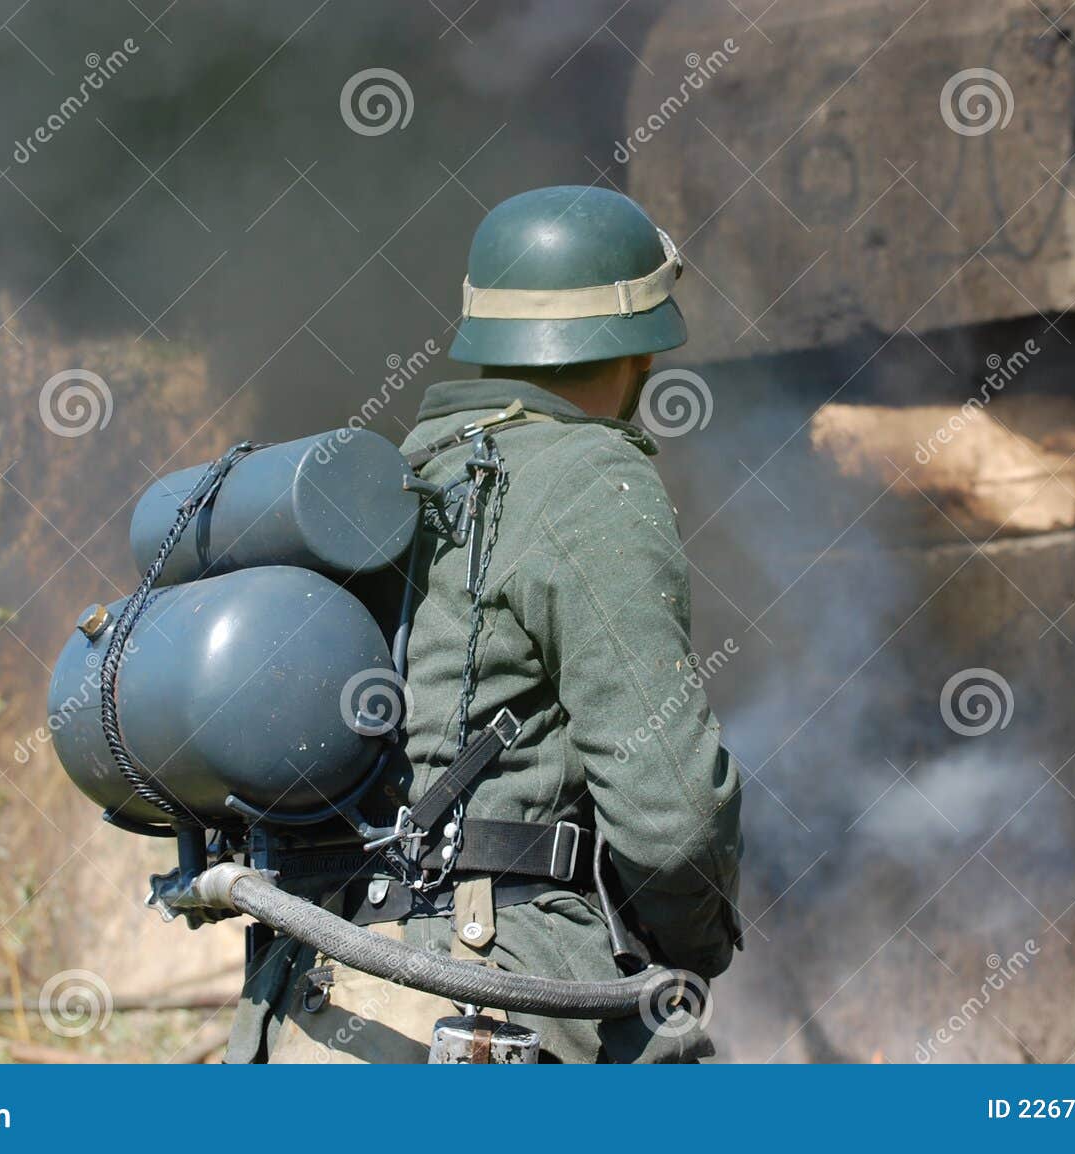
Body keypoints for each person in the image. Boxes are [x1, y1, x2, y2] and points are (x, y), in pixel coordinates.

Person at [265, 185, 744, 1063]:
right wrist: (693, 950)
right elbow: (672, 816)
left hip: (320, 1000)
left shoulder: (398, 476)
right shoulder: (590, 476)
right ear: (641, 348)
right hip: (493, 1010)